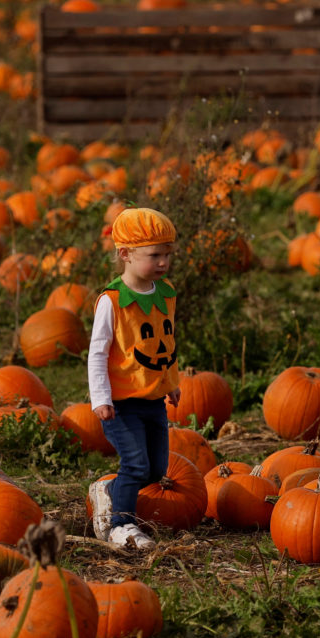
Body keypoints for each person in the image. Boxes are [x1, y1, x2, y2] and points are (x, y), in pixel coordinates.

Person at [86, 208, 181, 551]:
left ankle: (110, 491)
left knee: (155, 469)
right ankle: (120, 526)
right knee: (136, 464)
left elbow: (164, 345)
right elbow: (97, 353)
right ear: (125, 254)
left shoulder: (165, 294)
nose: (163, 262)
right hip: (121, 403)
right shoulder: (112, 302)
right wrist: (101, 399)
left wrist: (171, 383)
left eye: (168, 254)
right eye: (154, 255)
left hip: (152, 400)